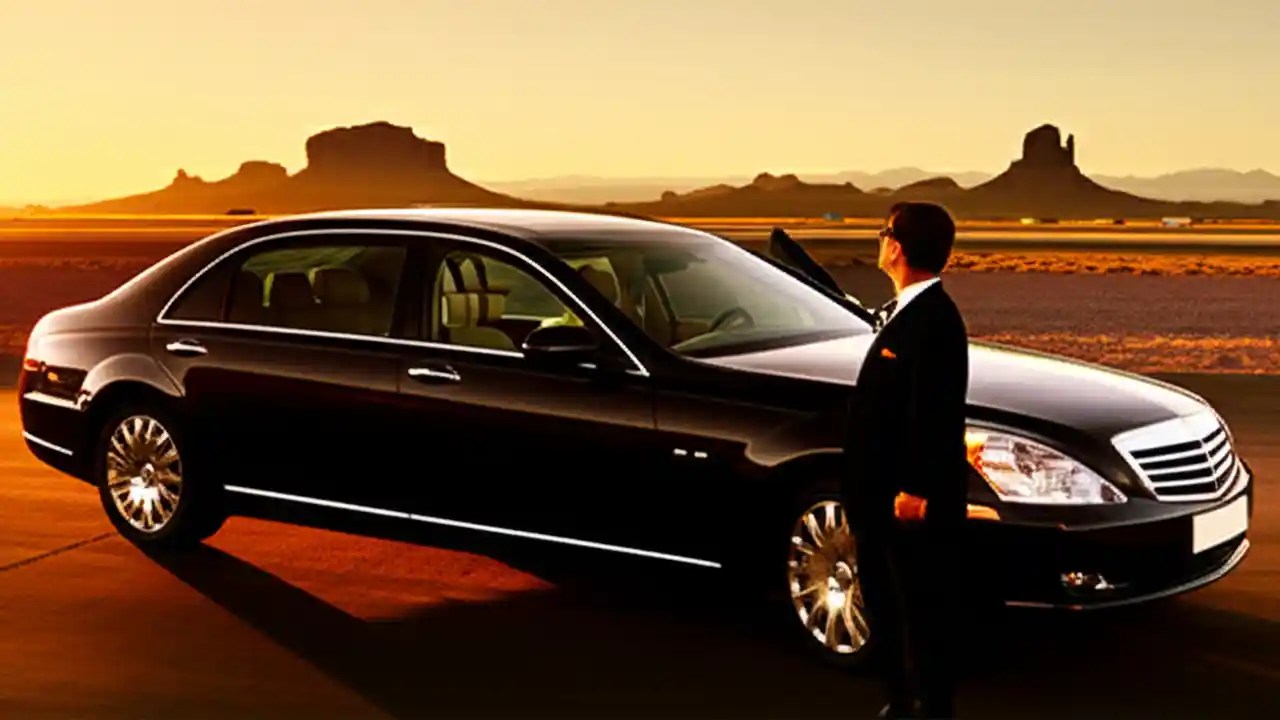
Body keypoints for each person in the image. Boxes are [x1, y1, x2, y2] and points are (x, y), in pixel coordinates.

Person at [844, 202, 971, 719]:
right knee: (888, 607)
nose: (880, 240)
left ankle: (929, 707)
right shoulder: (906, 312)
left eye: (884, 233)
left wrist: (916, 490)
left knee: (921, 612)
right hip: (881, 496)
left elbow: (934, 410)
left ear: (896, 247)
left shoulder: (934, 320)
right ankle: (900, 702)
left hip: (907, 502)